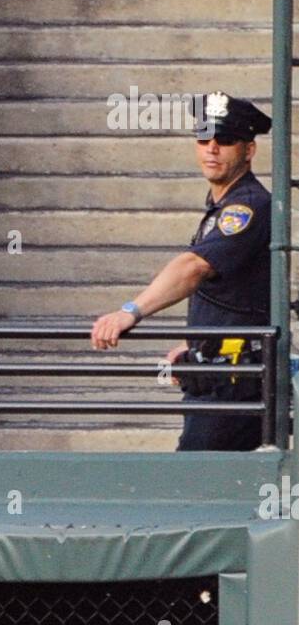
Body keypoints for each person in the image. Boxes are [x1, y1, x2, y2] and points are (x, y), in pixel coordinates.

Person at [91, 92, 272, 453]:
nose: (212, 149)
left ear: (248, 151)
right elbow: (232, 292)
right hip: (216, 372)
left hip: (232, 382)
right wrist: (196, 345)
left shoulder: (247, 206)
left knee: (195, 485)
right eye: (204, 139)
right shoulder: (224, 202)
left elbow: (194, 267)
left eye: (225, 141)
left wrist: (131, 311)